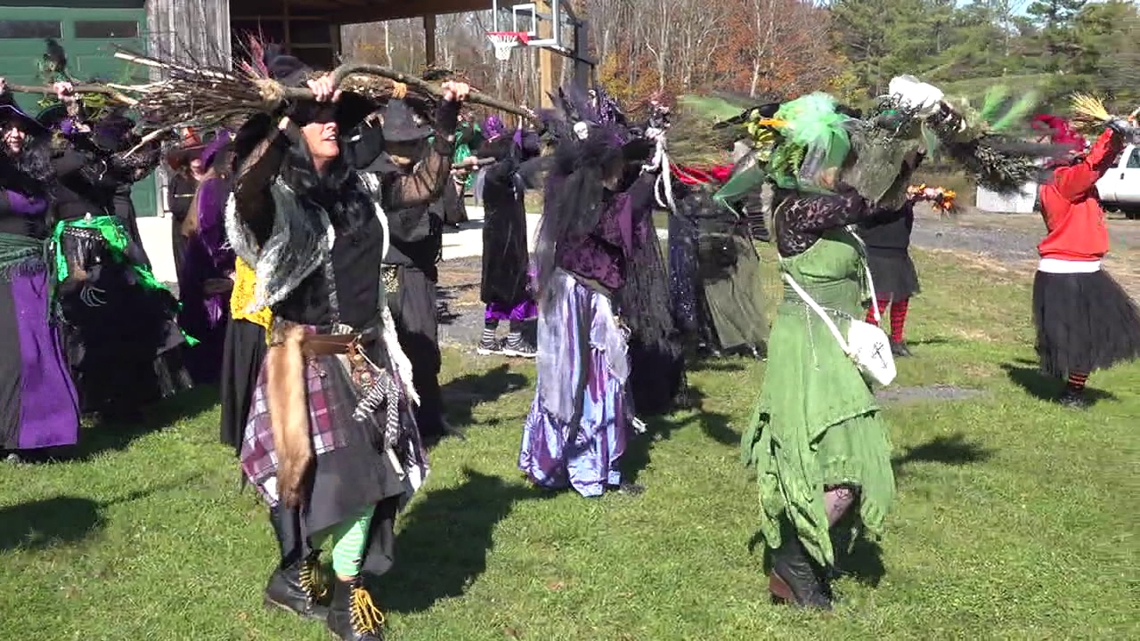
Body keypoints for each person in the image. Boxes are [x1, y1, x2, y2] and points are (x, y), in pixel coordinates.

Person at [225, 50, 468, 640]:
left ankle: (310, 575)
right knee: (326, 478)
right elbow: (249, 187)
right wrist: (286, 118)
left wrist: (445, 126)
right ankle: (339, 595)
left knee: (379, 477)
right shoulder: (274, 197)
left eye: (335, 115)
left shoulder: (359, 185)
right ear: (288, 127)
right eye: (316, 116)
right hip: (306, 357)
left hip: (368, 352)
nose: (330, 123)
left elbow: (425, 186)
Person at [518, 86, 662, 497]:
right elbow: (619, 217)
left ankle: (596, 470)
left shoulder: (588, 192)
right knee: (567, 381)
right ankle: (553, 466)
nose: (622, 170)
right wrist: (648, 179)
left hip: (593, 300)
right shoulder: (580, 198)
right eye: (617, 163)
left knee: (604, 381)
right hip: (573, 301)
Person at [45, 81, 192, 421]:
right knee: (85, 320)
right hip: (76, 251)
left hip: (113, 247)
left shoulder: (102, 162)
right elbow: (71, 165)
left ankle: (131, 395)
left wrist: (153, 122)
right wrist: (72, 116)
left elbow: (134, 163)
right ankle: (93, 398)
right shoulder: (56, 164)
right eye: (62, 129)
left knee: (128, 313)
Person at [354, 98, 463, 446]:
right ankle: (405, 423)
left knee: (426, 347)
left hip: (417, 270)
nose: (419, 148)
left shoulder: (406, 173)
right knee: (407, 345)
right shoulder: (381, 176)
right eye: (413, 143)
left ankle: (429, 417)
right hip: (396, 272)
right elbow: (410, 229)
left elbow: (447, 214)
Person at [1034, 122, 1140, 408]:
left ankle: (1074, 390)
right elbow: (1093, 166)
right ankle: (1073, 394)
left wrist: (1117, 138)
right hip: (1067, 272)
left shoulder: (1061, 178)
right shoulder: (1063, 180)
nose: (1078, 152)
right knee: (1082, 336)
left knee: (1089, 334)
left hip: (1082, 269)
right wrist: (1112, 136)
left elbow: (1093, 164)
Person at [0, 82, 80, 461]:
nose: (14, 133)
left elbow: (69, 149)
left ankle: (44, 433)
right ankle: (13, 437)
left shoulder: (35, 171)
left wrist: (69, 107)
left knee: (42, 352)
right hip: (3, 277)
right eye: (5, 126)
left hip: (35, 277)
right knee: (15, 357)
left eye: (19, 127)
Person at [475, 116, 541, 357]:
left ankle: (488, 340)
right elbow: (513, 158)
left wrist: (532, 128)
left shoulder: (505, 172)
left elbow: (529, 153)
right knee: (514, 286)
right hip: (504, 239)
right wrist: (517, 133)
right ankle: (513, 341)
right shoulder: (495, 175)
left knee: (502, 285)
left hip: (507, 236)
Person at [176, 132, 235, 384]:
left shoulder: (218, 184)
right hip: (208, 266)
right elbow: (209, 230)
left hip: (209, 264)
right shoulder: (213, 187)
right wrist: (225, 268)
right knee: (208, 323)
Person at [859, 200, 920, 357]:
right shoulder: (874, 195)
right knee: (880, 299)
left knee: (902, 297)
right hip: (879, 251)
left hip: (899, 251)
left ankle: (896, 341)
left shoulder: (902, 195)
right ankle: (867, 341)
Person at [165, 130, 210, 280]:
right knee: (188, 272)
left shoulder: (212, 176)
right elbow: (175, 206)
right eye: (192, 155)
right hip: (185, 234)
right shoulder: (179, 180)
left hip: (210, 231)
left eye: (199, 154)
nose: (196, 159)